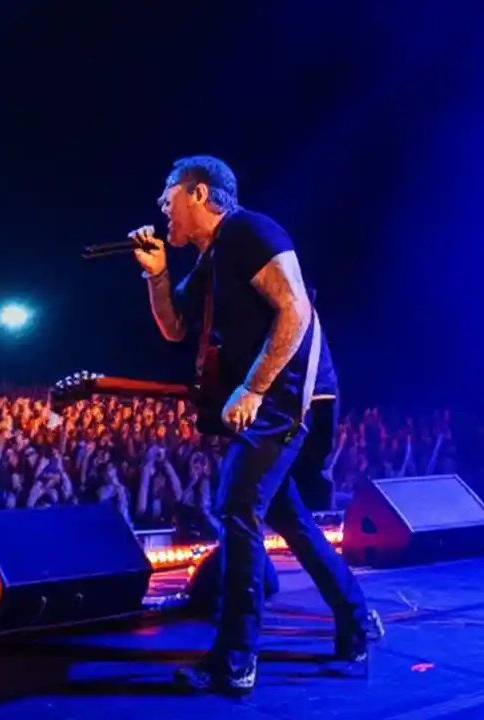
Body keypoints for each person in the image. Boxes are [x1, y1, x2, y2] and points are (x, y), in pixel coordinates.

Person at [131, 155, 382, 695]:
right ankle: (357, 618)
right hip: (275, 395)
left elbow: (295, 310)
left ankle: (235, 659)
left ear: (198, 193)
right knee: (286, 516)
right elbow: (175, 329)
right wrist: (156, 274)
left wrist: (253, 388)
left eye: (167, 195)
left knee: (237, 505)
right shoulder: (208, 260)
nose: (160, 207)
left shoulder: (250, 229)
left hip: (291, 391)